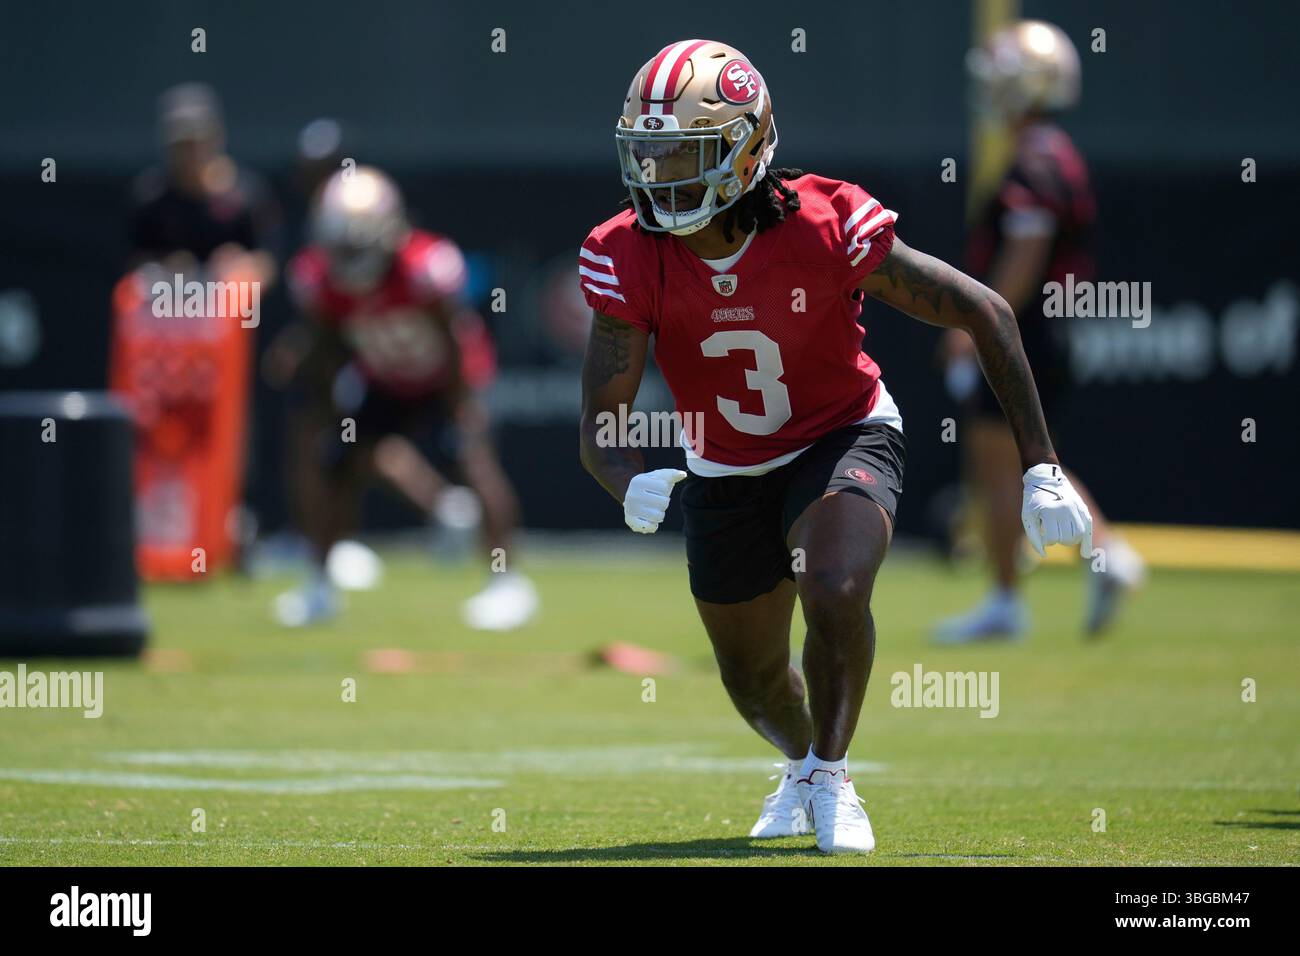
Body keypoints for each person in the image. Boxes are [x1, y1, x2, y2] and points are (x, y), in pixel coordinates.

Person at [577, 40, 1092, 854]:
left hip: (842, 432)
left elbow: (986, 311)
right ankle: (799, 761)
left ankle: (829, 771)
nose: (660, 170)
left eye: (682, 148)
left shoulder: (825, 223)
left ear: (744, 148)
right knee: (750, 681)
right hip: (724, 468)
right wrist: (621, 480)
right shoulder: (624, 253)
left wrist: (1042, 467)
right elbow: (602, 415)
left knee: (836, 585)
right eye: (648, 150)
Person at [936, 21, 1144, 643]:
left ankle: (1015, 597)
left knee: (1003, 467)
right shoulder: (1052, 154)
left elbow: (1025, 255)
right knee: (1023, 462)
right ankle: (1100, 557)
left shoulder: (1036, 160)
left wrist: (978, 323)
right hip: (1042, 332)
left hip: (1021, 336)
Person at [276, 166, 537, 630]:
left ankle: (507, 584)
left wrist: (461, 404)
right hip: (384, 380)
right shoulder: (320, 278)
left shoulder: (424, 266)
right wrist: (324, 393)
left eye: (357, 242)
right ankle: (319, 584)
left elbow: (454, 340)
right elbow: (328, 341)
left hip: (443, 378)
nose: (348, 256)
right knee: (333, 461)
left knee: (474, 461)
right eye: (340, 245)